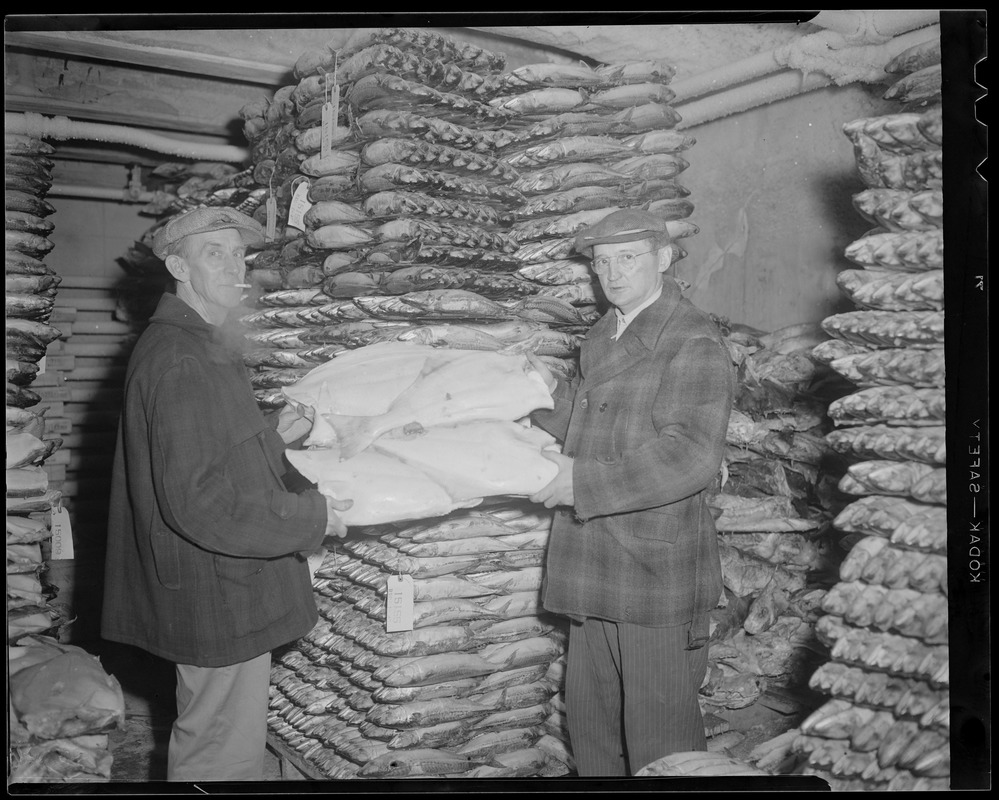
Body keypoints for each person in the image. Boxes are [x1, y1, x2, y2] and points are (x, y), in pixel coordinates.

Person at [101, 207, 351, 782]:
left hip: (218, 581)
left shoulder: (197, 345)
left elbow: (207, 449)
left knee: (222, 738)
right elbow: (201, 502)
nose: (235, 266)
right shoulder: (182, 359)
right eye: (215, 253)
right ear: (177, 267)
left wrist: (273, 433)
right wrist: (313, 517)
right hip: (217, 590)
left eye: (239, 253)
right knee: (221, 752)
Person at [527, 208, 734, 777]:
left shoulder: (691, 339)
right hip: (593, 560)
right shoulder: (602, 334)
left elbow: (690, 454)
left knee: (660, 746)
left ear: (663, 259)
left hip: (652, 570)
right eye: (601, 263)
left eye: (628, 259)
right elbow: (599, 425)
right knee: (593, 733)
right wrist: (540, 398)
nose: (613, 275)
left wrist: (581, 482)